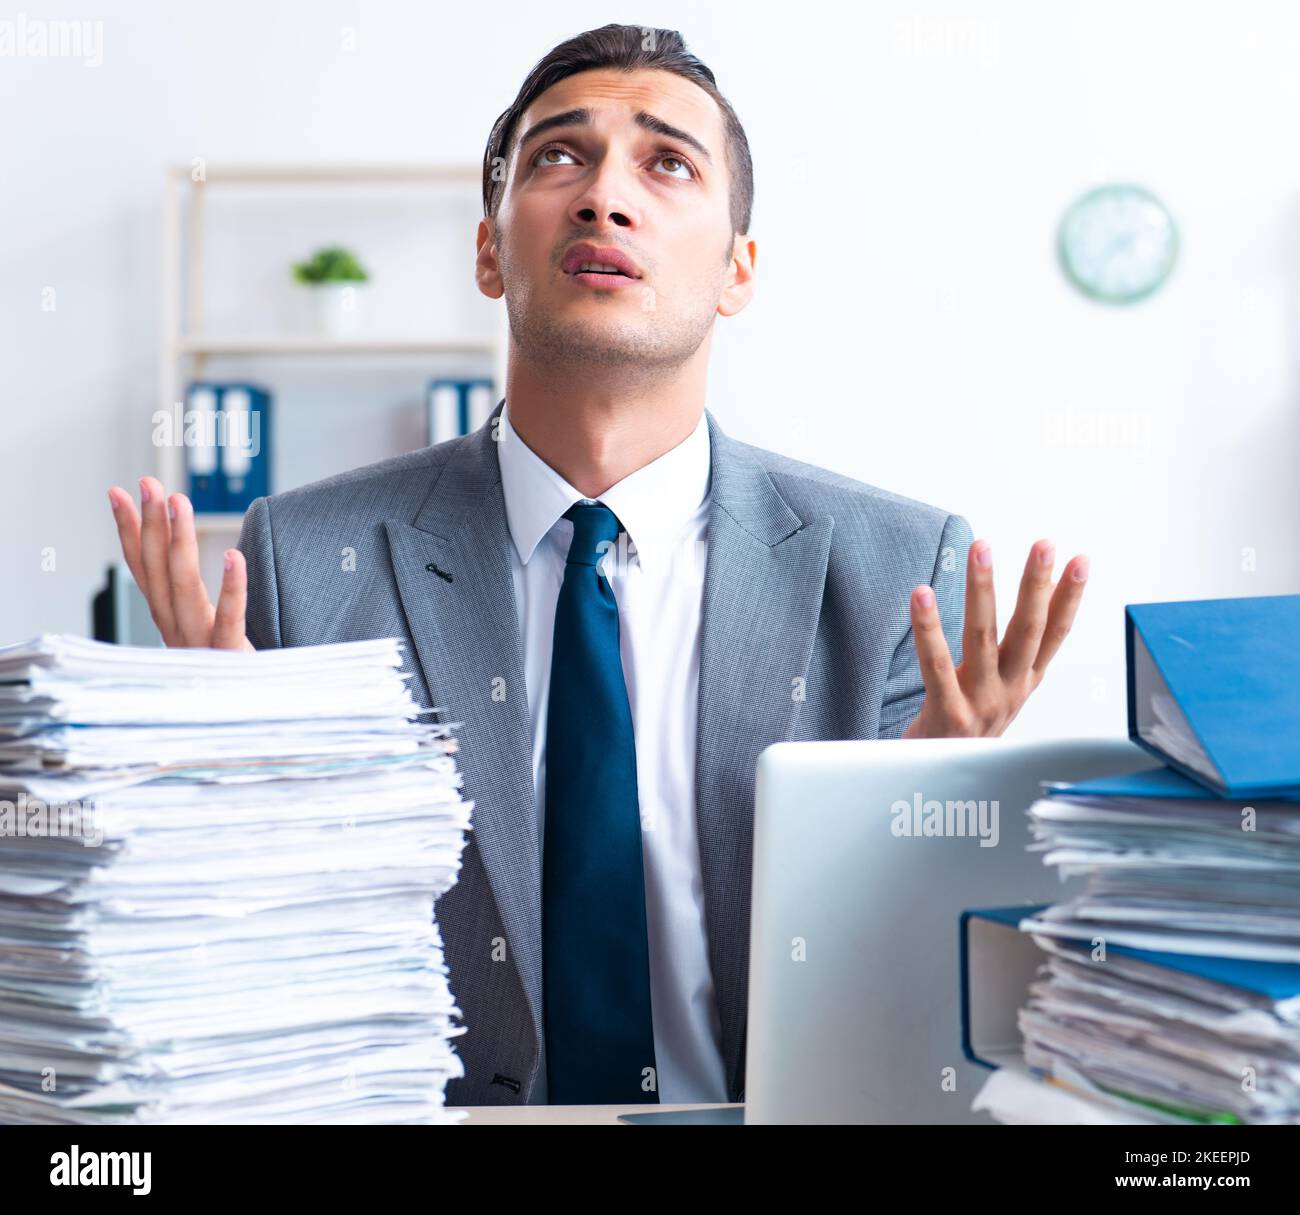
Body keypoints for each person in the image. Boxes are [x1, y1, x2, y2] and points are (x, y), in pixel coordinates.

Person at [106, 24, 1088, 1108]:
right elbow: (252, 987)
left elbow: (919, 1024)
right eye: (558, 157)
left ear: (737, 269)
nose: (604, 197)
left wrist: (931, 818)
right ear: (489, 252)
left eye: (667, 163)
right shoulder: (302, 563)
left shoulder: (897, 573)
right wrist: (221, 809)